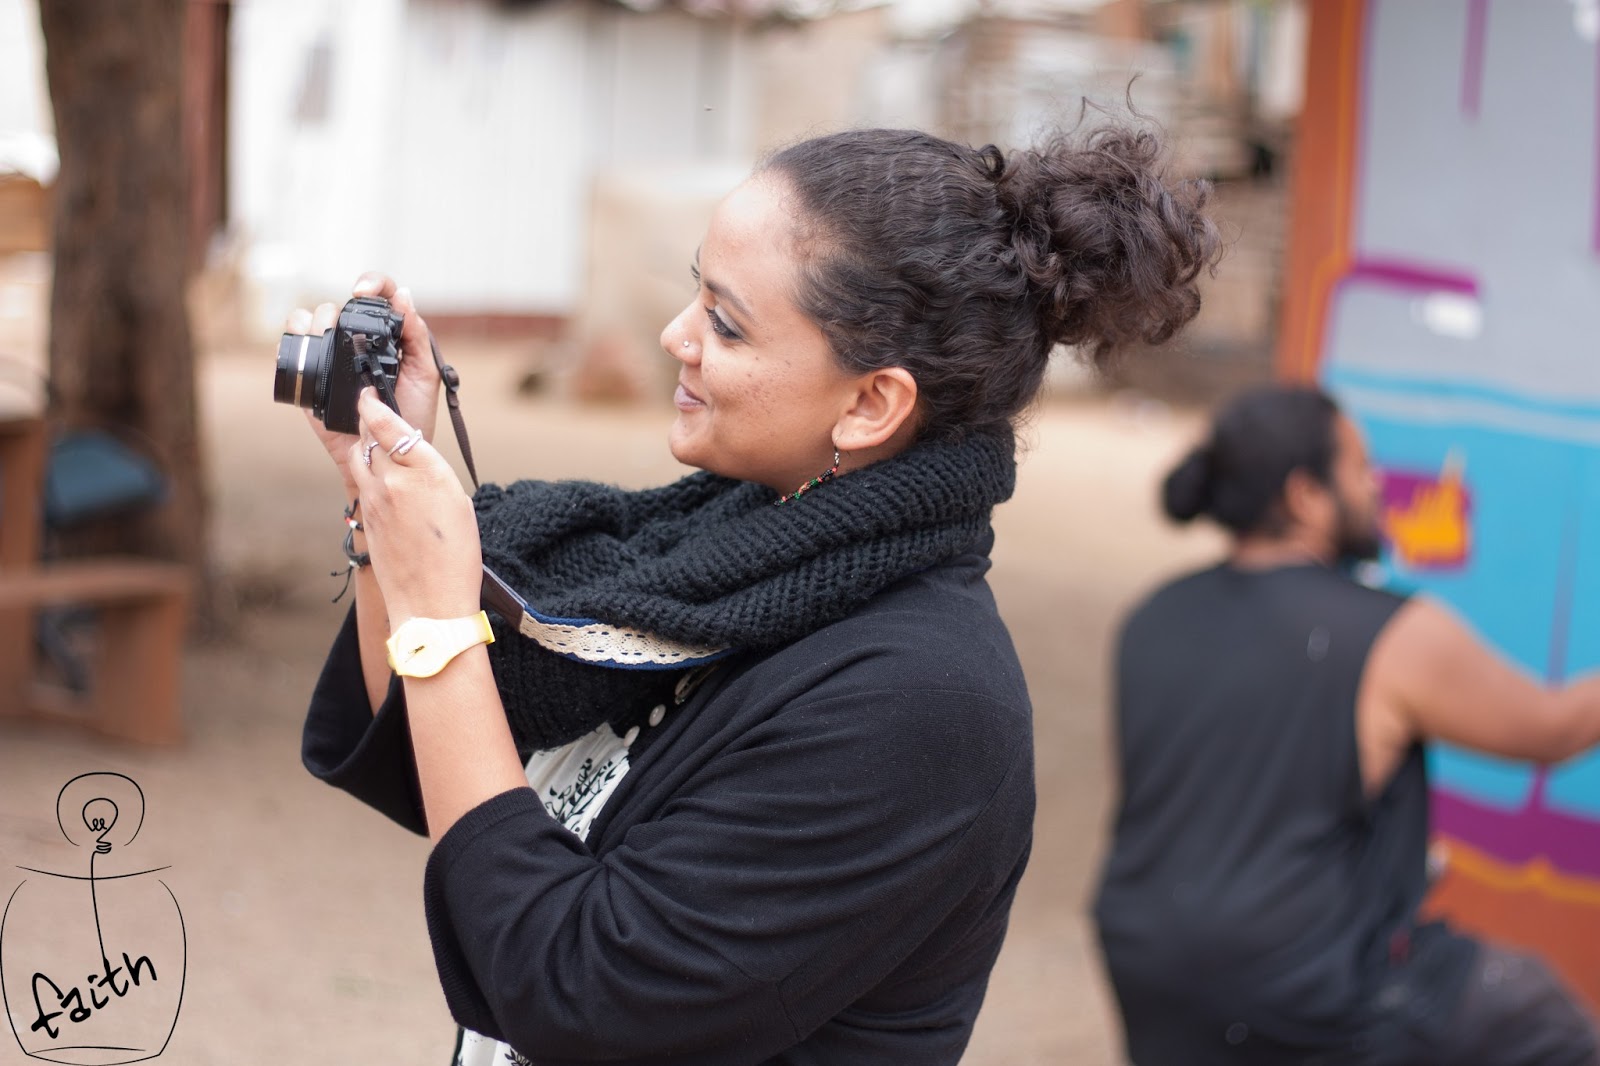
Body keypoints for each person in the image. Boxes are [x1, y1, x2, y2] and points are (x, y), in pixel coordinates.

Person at [290, 121, 1219, 1065]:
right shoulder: (718, 559)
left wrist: (445, 619)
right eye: (697, 291)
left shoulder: (923, 705)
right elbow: (437, 767)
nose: (675, 337)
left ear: (869, 405)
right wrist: (387, 497)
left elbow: (577, 992)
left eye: (726, 322)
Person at [1093, 385, 1600, 1066]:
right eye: (1361, 469)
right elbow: (1555, 728)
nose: (1377, 484)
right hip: (1303, 983)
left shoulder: (1152, 616)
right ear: (1305, 495)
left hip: (1147, 966)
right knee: (1537, 1015)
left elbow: (1208, 808)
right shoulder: (1390, 632)